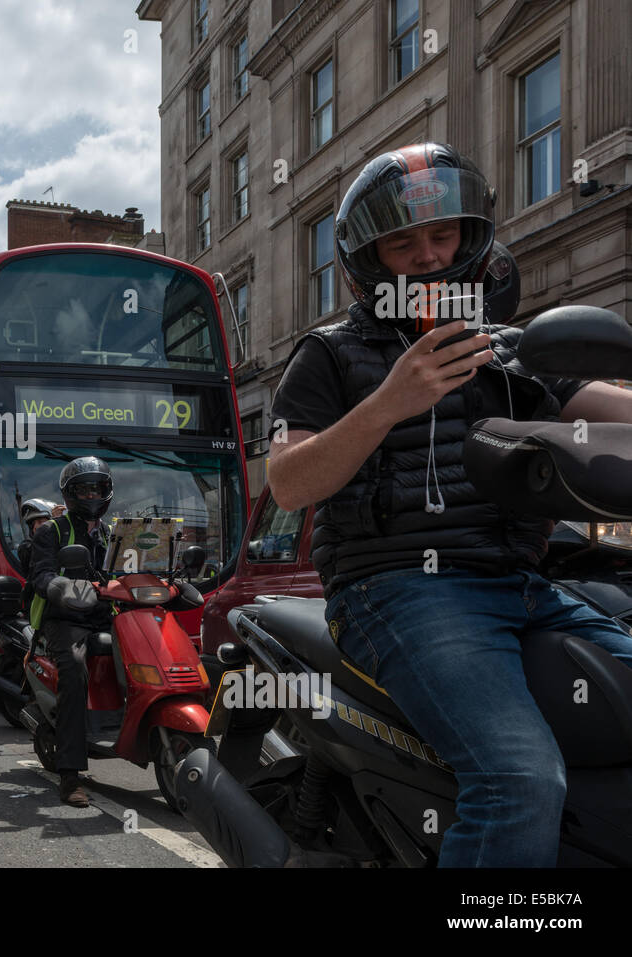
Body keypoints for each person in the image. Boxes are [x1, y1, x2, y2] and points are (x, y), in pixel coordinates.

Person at [268, 142, 632, 867]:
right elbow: (287, 482)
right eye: (404, 242)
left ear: (470, 239)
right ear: (371, 259)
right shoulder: (330, 354)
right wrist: (388, 402)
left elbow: (607, 411)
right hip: (399, 590)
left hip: (527, 585)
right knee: (519, 778)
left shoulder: (507, 350)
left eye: (443, 235)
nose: (429, 256)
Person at [27, 457, 114, 807]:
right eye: (84, 489)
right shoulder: (52, 531)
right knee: (75, 670)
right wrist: (59, 586)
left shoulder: (113, 533)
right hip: (65, 617)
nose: (92, 494)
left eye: (97, 487)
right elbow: (40, 575)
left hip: (106, 613)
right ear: (71, 493)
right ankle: (69, 776)